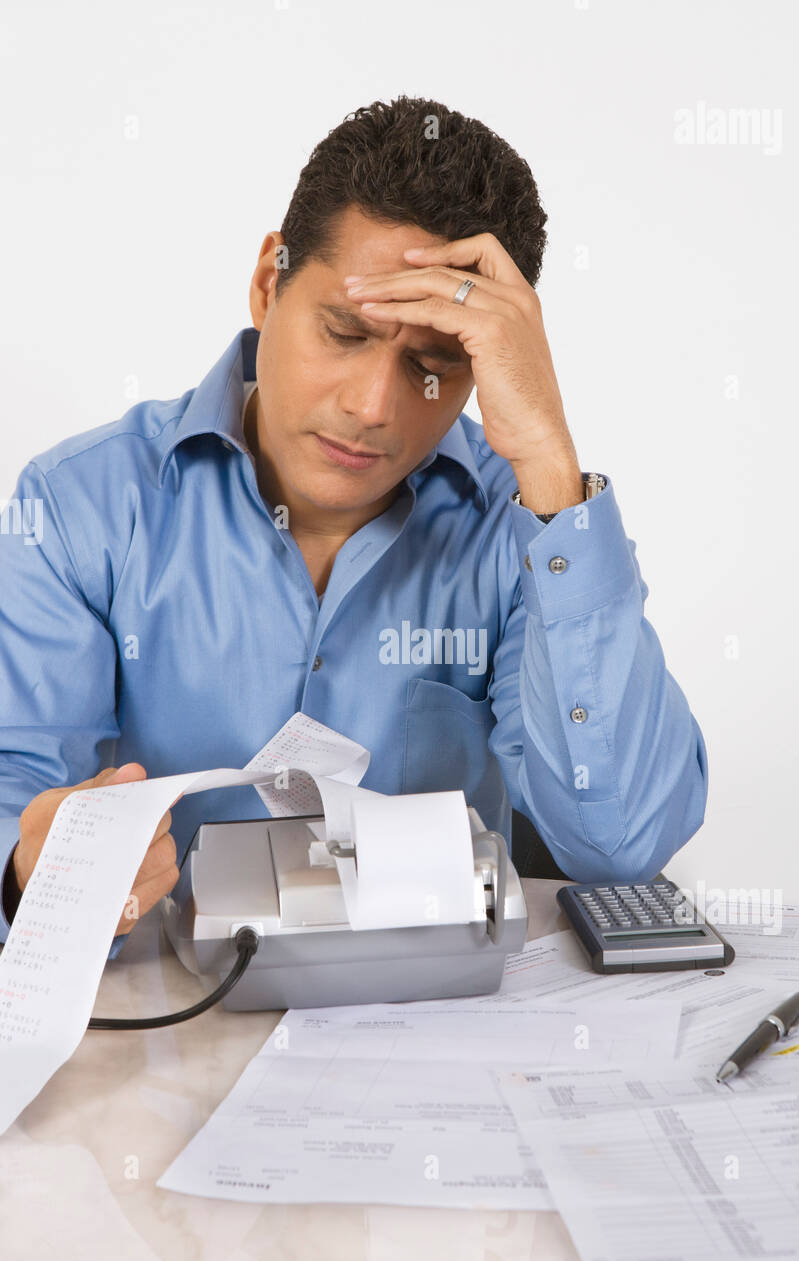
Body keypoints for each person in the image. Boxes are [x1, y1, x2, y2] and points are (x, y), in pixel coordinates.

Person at [0, 95, 708, 961]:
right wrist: (26, 872)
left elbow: (623, 846)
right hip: (163, 1030)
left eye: (434, 365)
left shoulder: (520, 528)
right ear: (269, 283)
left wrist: (553, 471)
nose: (372, 407)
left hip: (434, 1040)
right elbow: (14, 795)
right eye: (344, 332)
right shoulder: (80, 509)